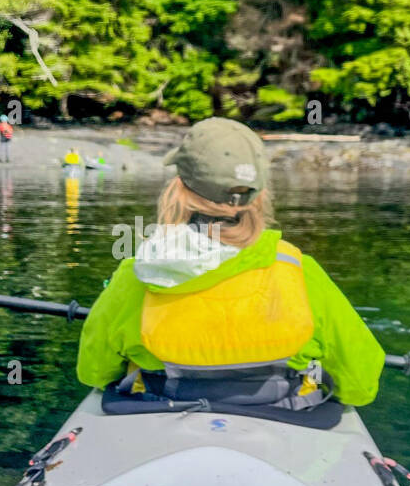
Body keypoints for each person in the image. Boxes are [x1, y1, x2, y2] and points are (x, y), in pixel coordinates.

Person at [76, 118, 384, 411]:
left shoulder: (137, 274)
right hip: (285, 413)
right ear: (260, 193)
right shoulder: (300, 272)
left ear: (180, 190)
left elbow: (94, 373)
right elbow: (360, 385)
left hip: (160, 410)